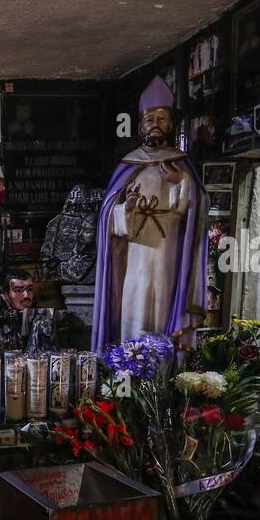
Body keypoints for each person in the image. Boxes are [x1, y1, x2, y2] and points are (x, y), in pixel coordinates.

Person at [92, 77, 208, 351]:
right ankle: (129, 367)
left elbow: (195, 211)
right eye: (149, 119)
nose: (155, 125)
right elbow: (107, 217)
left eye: (162, 118)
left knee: (164, 306)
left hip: (168, 252)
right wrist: (126, 209)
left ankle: (163, 376)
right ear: (140, 125)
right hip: (134, 254)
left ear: (171, 125)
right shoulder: (128, 164)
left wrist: (183, 182)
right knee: (133, 306)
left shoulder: (182, 166)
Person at [0, 269, 56, 355]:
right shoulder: (0, 323)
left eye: (30, 289)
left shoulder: (43, 318)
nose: (26, 295)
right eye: (18, 290)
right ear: (6, 295)